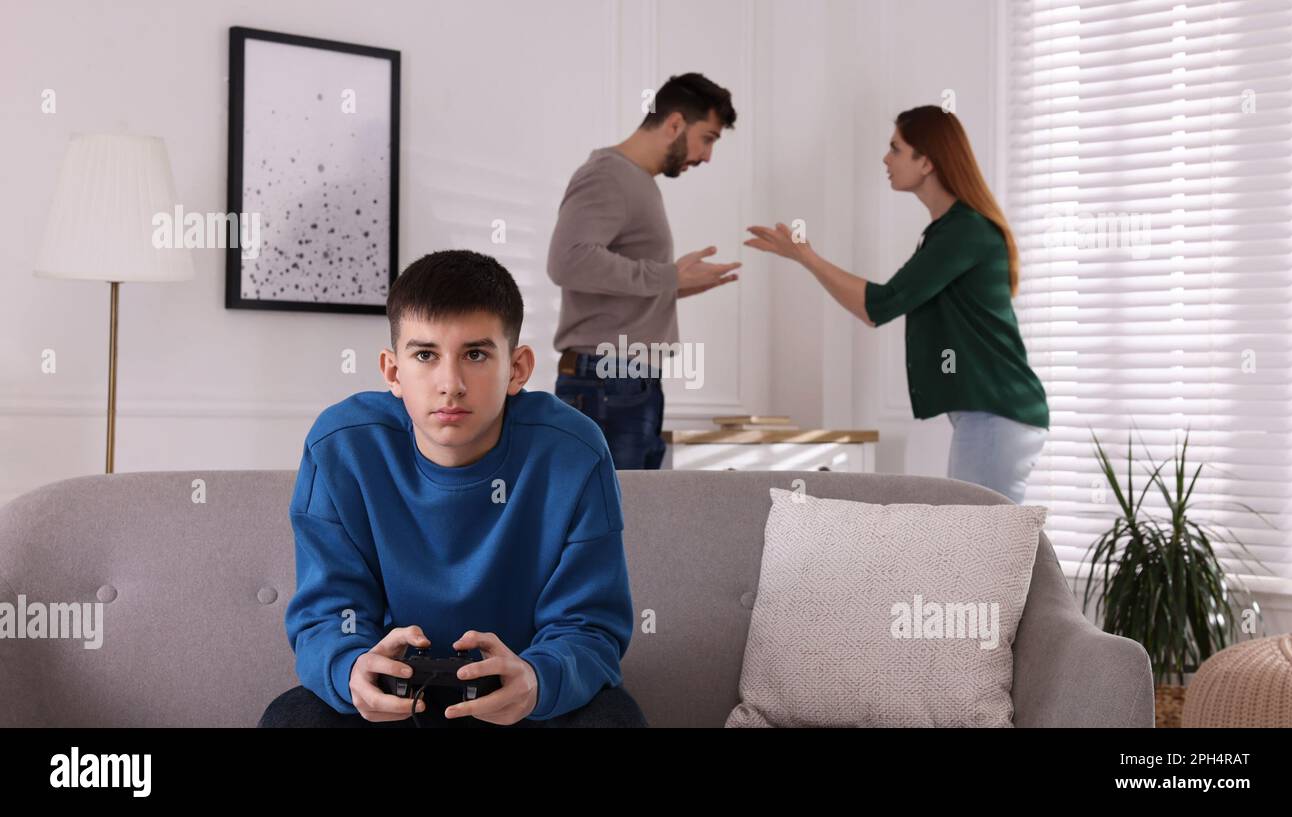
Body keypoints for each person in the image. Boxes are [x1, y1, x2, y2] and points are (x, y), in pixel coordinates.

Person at [258, 250, 647, 728]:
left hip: (524, 704)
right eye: (425, 355)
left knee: (615, 720)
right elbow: (328, 613)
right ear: (393, 371)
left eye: (476, 354)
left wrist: (538, 679)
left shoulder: (574, 451)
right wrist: (350, 667)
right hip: (392, 706)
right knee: (291, 719)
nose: (450, 384)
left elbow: (590, 627)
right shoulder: (341, 446)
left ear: (518, 368)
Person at [744, 105, 1049, 504]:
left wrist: (807, 257)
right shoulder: (949, 231)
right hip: (991, 411)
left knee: (980, 544)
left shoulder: (965, 231)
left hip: (997, 411)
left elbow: (880, 305)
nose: (885, 159)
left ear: (926, 161)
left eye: (896, 149)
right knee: (981, 542)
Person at [547, 72, 741, 470]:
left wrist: (678, 284)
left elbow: (610, 275)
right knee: (618, 522)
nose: (707, 156)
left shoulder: (636, 181)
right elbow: (568, 260)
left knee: (632, 522)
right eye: (708, 138)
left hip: (623, 382)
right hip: (608, 381)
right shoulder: (607, 175)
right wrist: (668, 277)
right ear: (674, 123)